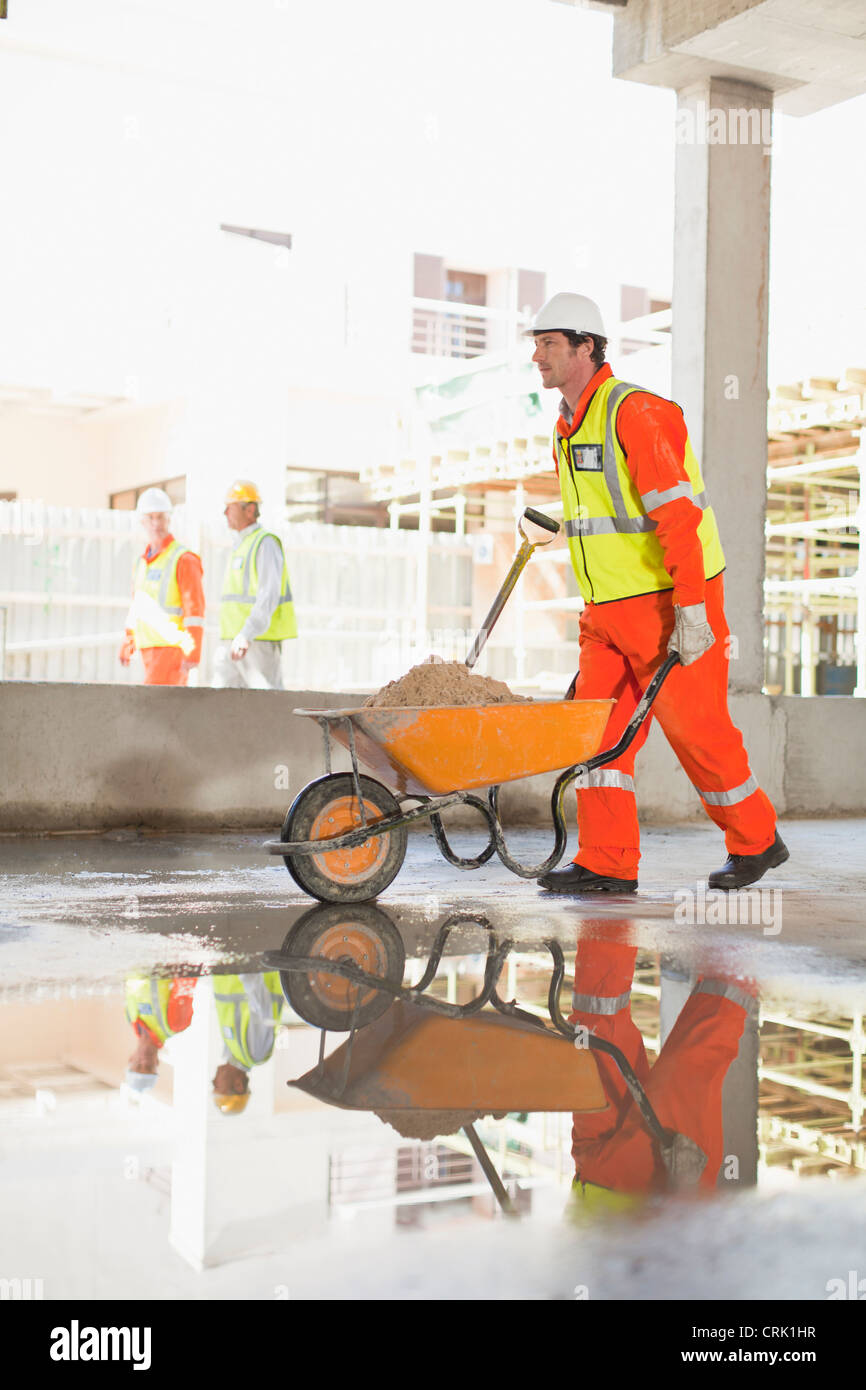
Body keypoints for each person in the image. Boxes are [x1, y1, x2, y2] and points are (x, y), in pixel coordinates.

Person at [529, 293, 788, 893]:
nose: (536, 356)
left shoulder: (636, 412)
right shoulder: (567, 425)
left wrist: (692, 610)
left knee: (698, 731)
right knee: (599, 736)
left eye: (548, 344)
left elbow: (677, 519)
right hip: (605, 612)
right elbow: (606, 518)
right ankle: (606, 861)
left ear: (585, 346)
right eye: (535, 345)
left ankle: (757, 841)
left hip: (670, 602)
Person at [214, 480, 297, 690]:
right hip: (234, 641)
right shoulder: (241, 545)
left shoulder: (265, 543)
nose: (225, 512)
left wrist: (247, 634)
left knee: (267, 705)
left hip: (256, 641)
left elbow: (268, 594)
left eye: (230, 507)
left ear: (249, 510)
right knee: (223, 703)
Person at [119, 487, 205, 686]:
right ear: (142, 521)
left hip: (171, 648)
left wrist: (193, 651)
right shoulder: (142, 563)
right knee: (165, 711)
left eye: (161, 517)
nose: (156, 523)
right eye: (150, 517)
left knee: (155, 710)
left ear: (169, 519)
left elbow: (195, 609)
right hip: (148, 648)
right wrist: (129, 639)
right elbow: (137, 605)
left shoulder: (183, 559)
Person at [211, 972, 284, 1115]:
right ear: (238, 1084)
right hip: (247, 965)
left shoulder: (234, 1050)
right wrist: (247, 967)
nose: (213, 1081)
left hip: (232, 964)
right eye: (218, 1086)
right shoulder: (256, 1053)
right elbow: (263, 1008)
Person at [124, 974, 198, 1093]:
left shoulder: (129, 1017)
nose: (144, 1061)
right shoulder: (176, 1024)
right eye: (148, 1067)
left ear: (131, 1059)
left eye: (138, 1066)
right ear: (157, 1063)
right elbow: (187, 975)